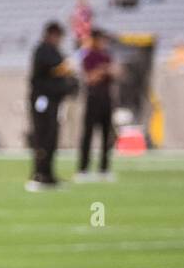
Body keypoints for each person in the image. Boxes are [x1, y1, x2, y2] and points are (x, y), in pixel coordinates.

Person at [27, 21, 75, 191]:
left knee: (52, 137)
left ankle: (48, 174)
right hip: (43, 101)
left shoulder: (54, 51)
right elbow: (56, 69)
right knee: (43, 136)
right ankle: (39, 174)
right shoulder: (43, 51)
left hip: (53, 101)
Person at [77, 30, 118, 181]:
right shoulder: (89, 56)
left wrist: (110, 71)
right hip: (93, 99)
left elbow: (116, 73)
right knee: (88, 134)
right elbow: (89, 79)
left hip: (106, 99)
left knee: (107, 135)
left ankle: (104, 168)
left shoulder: (106, 55)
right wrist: (102, 71)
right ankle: (83, 168)